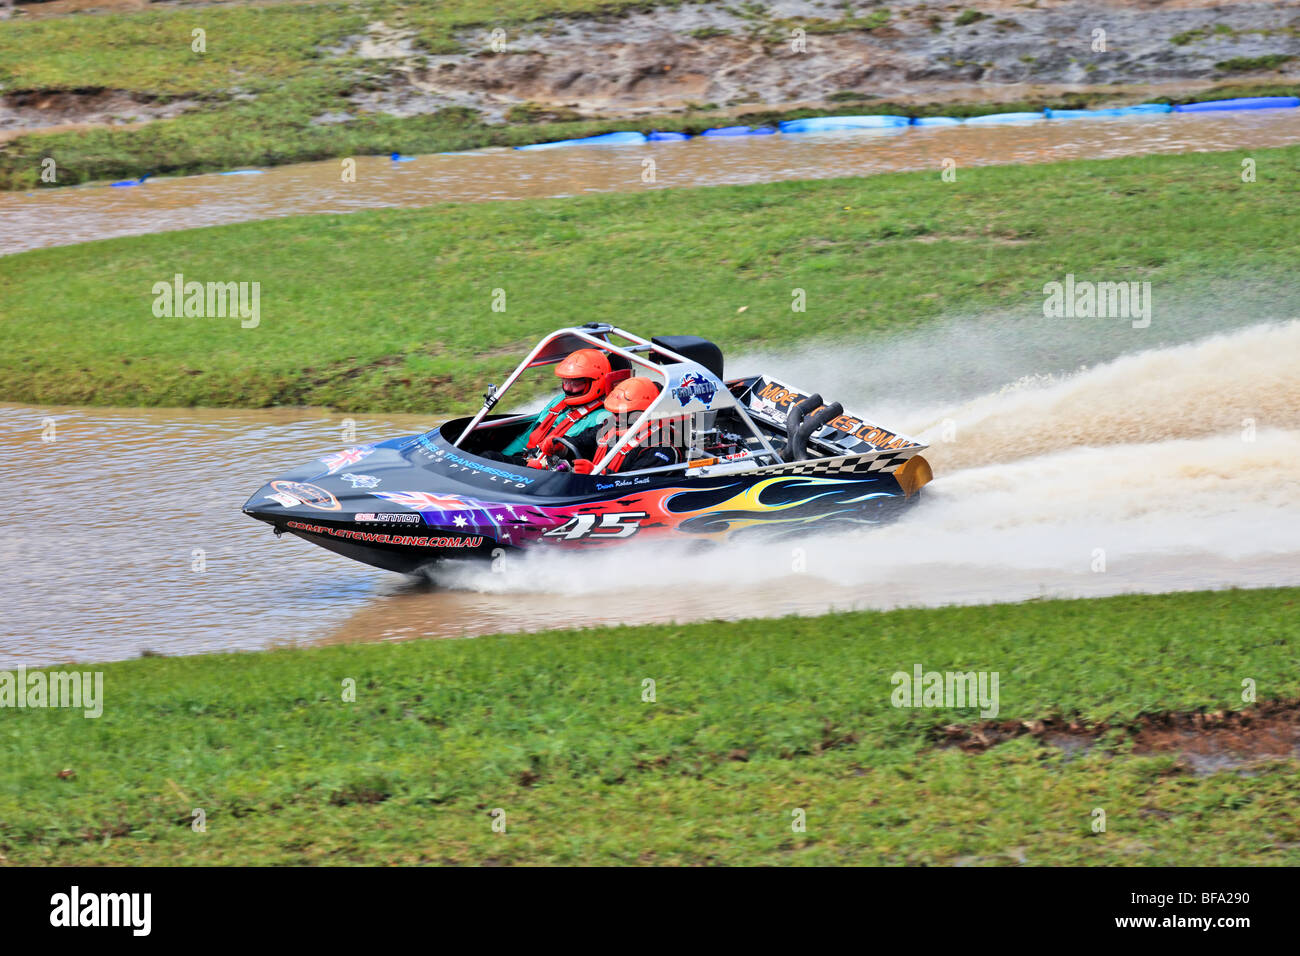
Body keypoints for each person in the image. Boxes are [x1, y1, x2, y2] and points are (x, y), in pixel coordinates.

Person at [501, 348, 615, 461]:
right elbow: (526, 437)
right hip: (524, 460)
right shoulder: (559, 400)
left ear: (596, 382)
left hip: (548, 471)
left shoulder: (605, 417)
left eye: (575, 383)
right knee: (490, 456)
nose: (567, 388)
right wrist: (505, 456)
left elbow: (583, 454)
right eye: (565, 381)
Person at [567, 377, 686, 474]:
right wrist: (562, 449)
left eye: (624, 413)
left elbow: (637, 484)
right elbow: (581, 443)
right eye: (615, 412)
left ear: (644, 411)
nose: (617, 418)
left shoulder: (661, 447)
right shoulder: (609, 427)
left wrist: (599, 473)